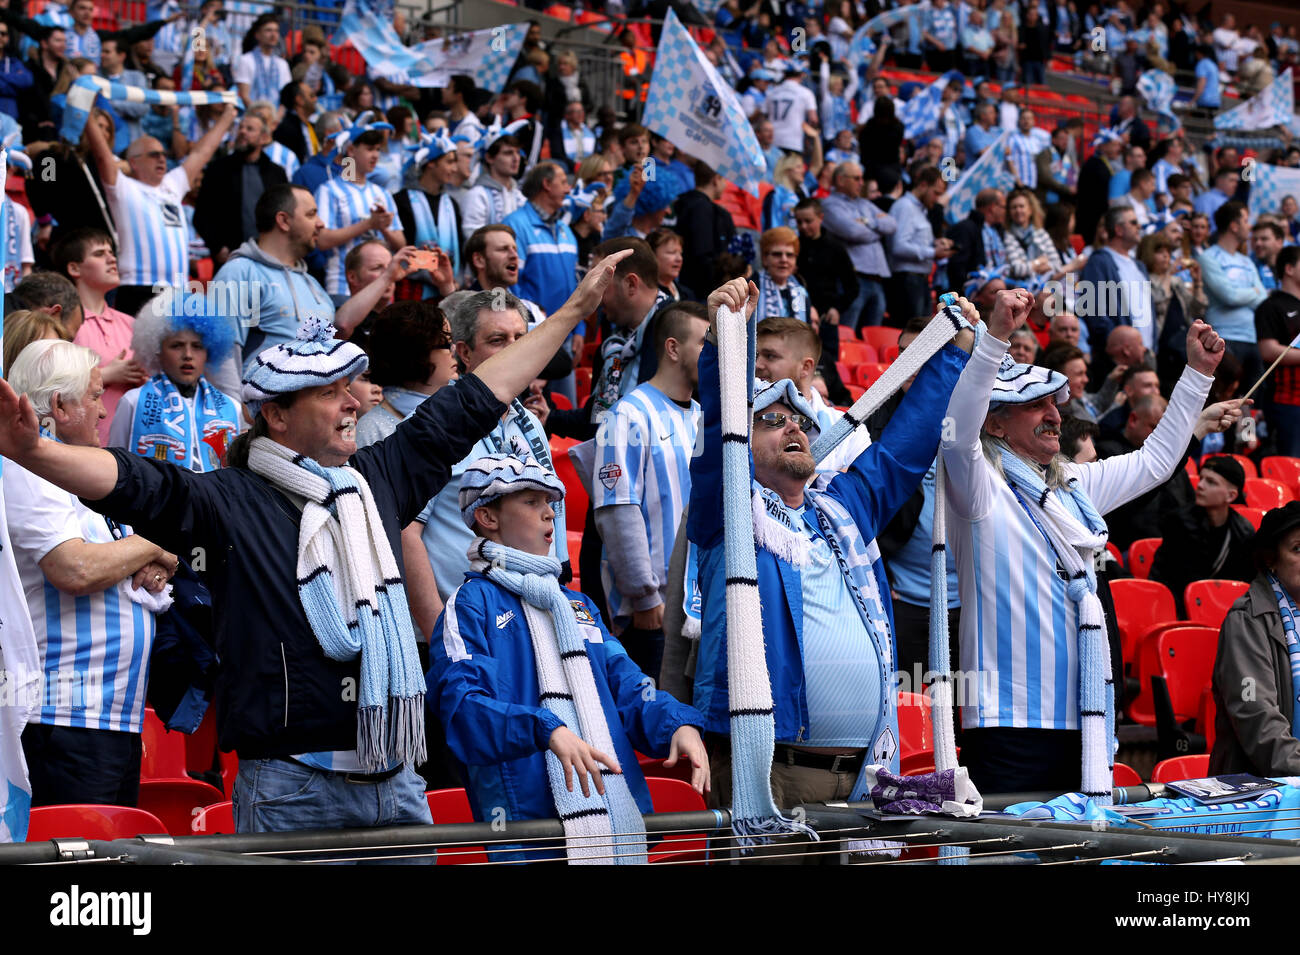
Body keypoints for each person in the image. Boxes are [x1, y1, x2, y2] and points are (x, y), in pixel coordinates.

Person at [0, 247, 635, 834]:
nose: (351, 404)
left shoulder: (378, 479)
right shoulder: (227, 500)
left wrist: (575, 311)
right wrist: (33, 450)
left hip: (397, 784)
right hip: (288, 790)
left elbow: (477, 396)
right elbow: (134, 481)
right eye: (329, 393)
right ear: (276, 415)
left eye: (349, 388)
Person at [691, 277, 974, 809]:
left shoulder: (842, 508)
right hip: (775, 775)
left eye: (797, 419)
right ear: (739, 443)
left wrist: (953, 353)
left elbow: (905, 446)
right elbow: (714, 427)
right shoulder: (726, 511)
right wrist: (723, 342)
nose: (791, 426)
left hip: (867, 772)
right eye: (770, 420)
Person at [942, 287, 1232, 796]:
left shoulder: (1072, 484)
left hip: (1084, 716)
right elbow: (956, 431)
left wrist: (1197, 375)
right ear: (996, 422)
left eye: (1055, 403)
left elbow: (1155, 463)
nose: (1055, 415)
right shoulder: (978, 482)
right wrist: (995, 339)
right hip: (1008, 719)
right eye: (1035, 406)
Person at [428, 452, 708, 862]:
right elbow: (462, 709)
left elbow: (626, 685)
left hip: (615, 822)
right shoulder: (470, 605)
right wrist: (545, 728)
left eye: (552, 504)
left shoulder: (578, 604)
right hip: (527, 827)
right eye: (531, 502)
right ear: (487, 517)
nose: (549, 515)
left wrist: (676, 723)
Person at [4, 340, 175, 807]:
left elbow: (122, 562)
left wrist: (146, 560)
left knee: (111, 863)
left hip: (106, 719)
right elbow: (74, 568)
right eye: (96, 396)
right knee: (74, 866)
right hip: (61, 718)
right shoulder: (26, 467)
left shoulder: (81, 473)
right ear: (58, 405)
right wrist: (158, 541)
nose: (105, 413)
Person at [412, 289, 568, 608]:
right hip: (466, 623)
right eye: (498, 340)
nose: (515, 351)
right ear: (464, 353)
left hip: (534, 613)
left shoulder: (531, 422)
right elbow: (406, 534)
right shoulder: (436, 421)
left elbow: (555, 520)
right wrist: (437, 630)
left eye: (520, 339)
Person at [594, 302, 709, 678]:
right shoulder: (627, 414)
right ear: (673, 348)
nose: (713, 355)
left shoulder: (700, 416)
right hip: (655, 609)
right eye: (705, 344)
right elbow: (617, 509)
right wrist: (643, 597)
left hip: (696, 605)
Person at [84, 94, 235, 317]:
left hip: (178, 291)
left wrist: (228, 116)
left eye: (164, 154)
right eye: (154, 155)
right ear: (133, 162)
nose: (162, 159)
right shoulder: (123, 187)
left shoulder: (172, 186)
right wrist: (85, 106)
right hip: (138, 288)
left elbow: (202, 152)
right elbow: (103, 156)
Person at [1210, 501, 1300, 776]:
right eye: (1298, 549)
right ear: (1271, 558)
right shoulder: (1247, 619)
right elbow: (1255, 714)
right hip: (1257, 795)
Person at [108, 292, 241, 471]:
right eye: (176, 346)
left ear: (209, 351)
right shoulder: (132, 401)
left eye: (197, 346)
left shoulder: (232, 408)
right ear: (156, 350)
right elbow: (116, 466)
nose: (188, 355)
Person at [51, 229, 147, 444]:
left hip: (135, 445)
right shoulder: (61, 323)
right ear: (74, 268)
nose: (111, 258)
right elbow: (49, 387)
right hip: (82, 449)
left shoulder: (132, 323)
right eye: (99, 253)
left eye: (111, 252)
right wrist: (108, 374)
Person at [1150, 455, 1255, 616]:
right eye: (1202, 478)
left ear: (1231, 496)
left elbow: (1244, 585)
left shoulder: (1243, 532)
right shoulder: (1178, 523)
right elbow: (1166, 578)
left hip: (1225, 613)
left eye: (1211, 482)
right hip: (1178, 610)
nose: (1200, 485)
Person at [314, 117, 406, 299]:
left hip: (381, 290)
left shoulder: (382, 193)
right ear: (351, 150)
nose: (376, 155)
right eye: (369, 149)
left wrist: (384, 228)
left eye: (378, 150)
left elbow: (401, 243)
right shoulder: (329, 190)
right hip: (342, 287)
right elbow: (321, 240)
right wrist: (368, 224)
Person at [192, 110, 288, 265]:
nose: (243, 132)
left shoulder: (276, 173)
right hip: (230, 259)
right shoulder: (218, 169)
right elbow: (202, 216)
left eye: (250, 129)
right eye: (241, 128)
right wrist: (217, 247)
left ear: (263, 138)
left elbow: (285, 214)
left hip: (270, 258)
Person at [1200, 200, 1268, 388]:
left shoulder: (1247, 261)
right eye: (1246, 220)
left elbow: (1263, 300)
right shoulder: (1208, 257)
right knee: (1225, 399)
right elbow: (1228, 296)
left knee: (1251, 403)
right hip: (1224, 337)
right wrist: (1252, 292)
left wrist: (1245, 294)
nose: (1250, 225)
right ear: (1234, 226)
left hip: (1252, 337)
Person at [822, 162, 894, 330]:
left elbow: (891, 224)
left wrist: (867, 222)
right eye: (856, 178)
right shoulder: (830, 204)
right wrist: (878, 230)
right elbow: (852, 231)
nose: (862, 183)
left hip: (877, 278)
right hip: (854, 279)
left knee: (873, 333)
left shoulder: (864, 203)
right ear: (840, 180)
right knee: (848, 331)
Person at [503, 160, 577, 317]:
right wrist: (531, 319)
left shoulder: (565, 229)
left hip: (567, 331)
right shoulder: (515, 225)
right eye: (563, 182)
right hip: (534, 331)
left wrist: (578, 327)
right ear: (547, 184)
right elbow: (511, 284)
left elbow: (574, 283)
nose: (568, 189)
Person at [1256, 246, 1300, 456]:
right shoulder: (1271, 306)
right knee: (1291, 465)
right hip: (1287, 401)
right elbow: (1268, 350)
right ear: (1289, 269)